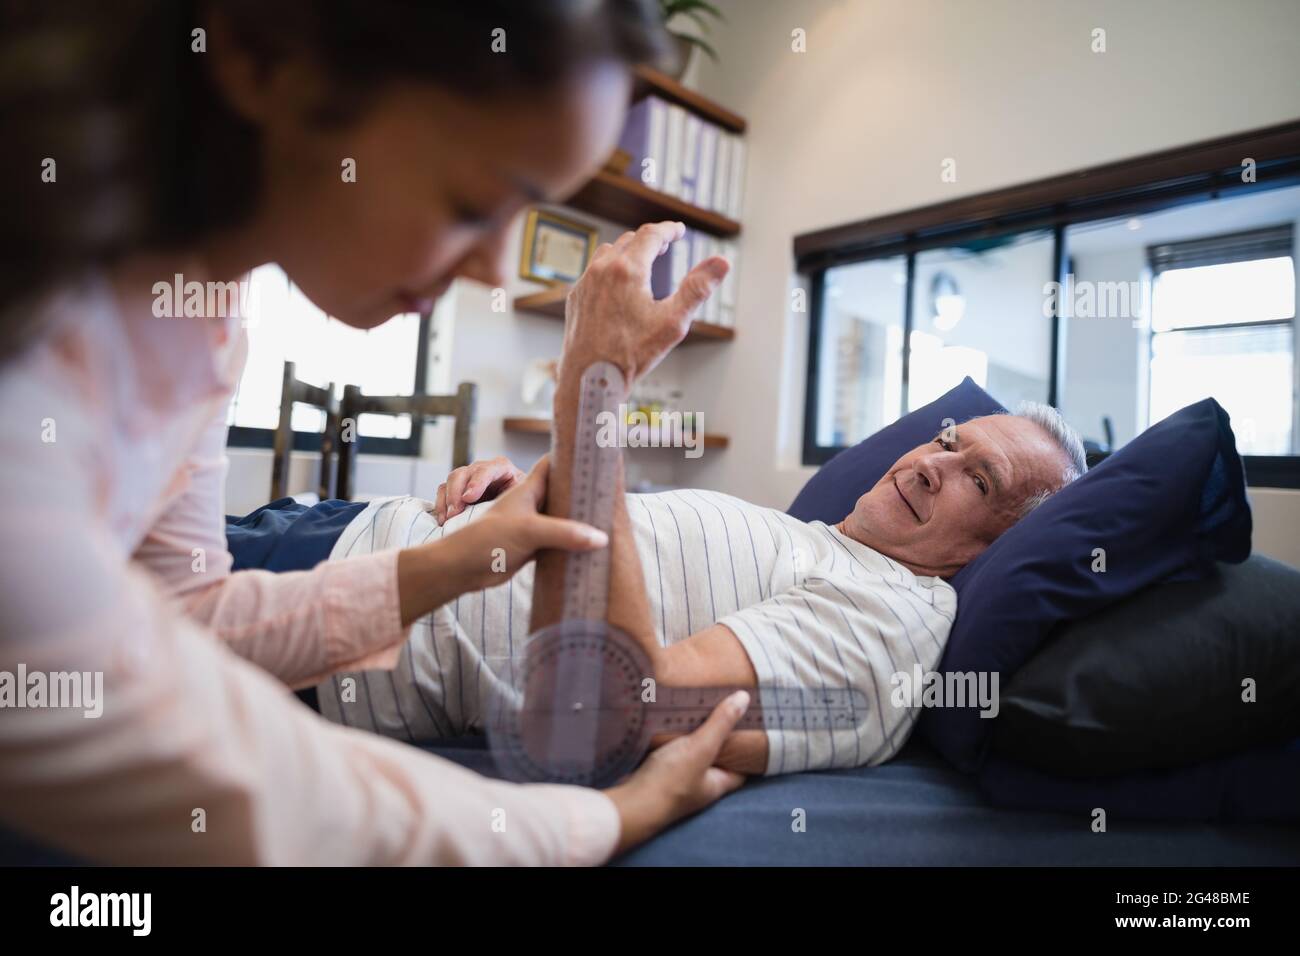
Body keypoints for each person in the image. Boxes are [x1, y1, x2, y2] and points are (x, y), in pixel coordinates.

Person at [0, 1, 748, 865]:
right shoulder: (34, 365)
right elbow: (268, 781)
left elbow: (185, 611)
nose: (494, 270)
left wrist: (459, 561)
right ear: (258, 55)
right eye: (475, 203)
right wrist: (613, 818)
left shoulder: (203, 307)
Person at [310, 217, 1087, 775]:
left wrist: (594, 397)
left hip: (347, 622)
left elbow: (621, 709)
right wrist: (525, 499)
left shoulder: (892, 622)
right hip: (367, 531)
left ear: (998, 545)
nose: (931, 464)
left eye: (978, 480)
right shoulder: (819, 541)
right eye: (949, 442)